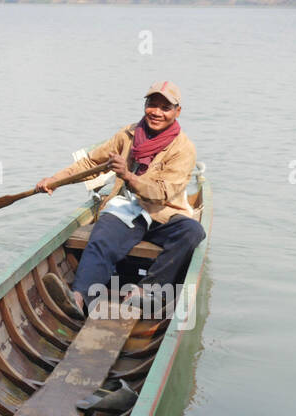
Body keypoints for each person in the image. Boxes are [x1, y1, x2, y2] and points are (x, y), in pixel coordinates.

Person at [35, 81, 203, 318]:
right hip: (127, 209)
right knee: (101, 237)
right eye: (152, 105)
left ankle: (146, 291)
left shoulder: (183, 148)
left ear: (177, 112)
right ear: (145, 106)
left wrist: (127, 175)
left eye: (165, 108)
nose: (156, 112)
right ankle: (79, 297)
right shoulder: (128, 134)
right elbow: (92, 163)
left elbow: (161, 192)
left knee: (192, 232)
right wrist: (55, 180)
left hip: (161, 213)